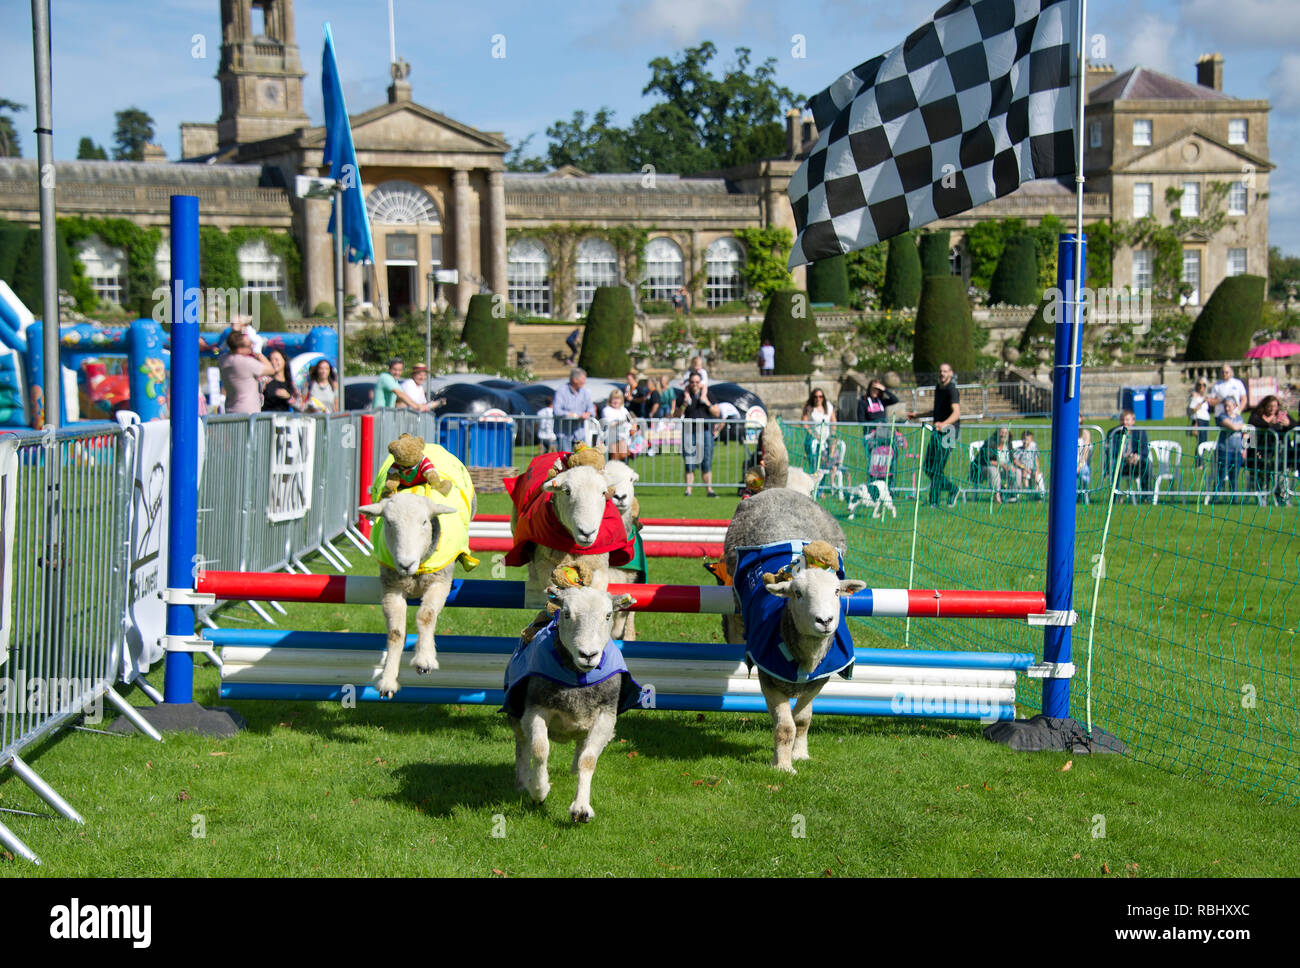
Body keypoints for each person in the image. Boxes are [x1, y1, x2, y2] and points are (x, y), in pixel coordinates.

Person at [907, 363, 961, 506]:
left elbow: (957, 413)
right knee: (928, 467)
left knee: (936, 468)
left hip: (949, 432)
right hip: (937, 431)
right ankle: (953, 489)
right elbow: (936, 411)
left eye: (945, 371)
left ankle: (934, 502)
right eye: (940, 371)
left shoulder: (952, 390)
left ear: (951, 373)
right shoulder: (938, 388)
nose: (942, 373)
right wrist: (918, 415)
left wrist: (944, 424)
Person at [675, 371, 721, 496]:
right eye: (692, 382)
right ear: (688, 383)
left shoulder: (708, 394)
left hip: (705, 431)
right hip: (689, 431)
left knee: (706, 460)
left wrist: (706, 402)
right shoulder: (683, 395)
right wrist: (685, 403)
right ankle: (688, 490)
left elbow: (717, 413)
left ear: (700, 383)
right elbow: (676, 414)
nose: (694, 384)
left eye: (697, 382)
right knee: (689, 461)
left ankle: (709, 490)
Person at [1247, 394, 1295, 504]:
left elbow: (1294, 425)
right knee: (1263, 475)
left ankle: (1283, 499)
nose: (1272, 409)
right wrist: (1270, 424)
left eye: (1275, 406)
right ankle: (1262, 498)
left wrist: (1288, 424)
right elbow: (1253, 426)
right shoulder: (1257, 416)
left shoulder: (1281, 415)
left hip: (1279, 453)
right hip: (1261, 453)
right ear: (1265, 406)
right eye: (1270, 406)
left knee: (1281, 475)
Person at [219, 330, 275, 415]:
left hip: (231, 410)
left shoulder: (223, 360)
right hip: (248, 412)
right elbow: (271, 370)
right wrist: (258, 353)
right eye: (249, 345)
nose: (252, 346)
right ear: (239, 349)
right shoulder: (245, 363)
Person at [1107, 408, 1153, 496]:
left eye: (1127, 420)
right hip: (1120, 463)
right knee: (1114, 463)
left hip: (1135, 463)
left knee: (1147, 464)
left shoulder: (1140, 432)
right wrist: (1125, 458)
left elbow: (1144, 450)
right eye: (1122, 420)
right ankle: (1115, 497)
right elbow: (1110, 451)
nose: (1125, 423)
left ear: (1133, 420)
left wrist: (1137, 457)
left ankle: (1146, 495)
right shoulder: (1113, 433)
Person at [552, 367, 594, 452]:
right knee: (565, 460)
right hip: (564, 433)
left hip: (580, 433)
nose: (584, 382)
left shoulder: (585, 392)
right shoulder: (561, 391)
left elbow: (591, 409)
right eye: (583, 379)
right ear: (575, 379)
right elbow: (556, 411)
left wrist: (587, 414)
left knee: (581, 460)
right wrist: (570, 415)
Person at [1215, 397, 1247, 499]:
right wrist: (1242, 426)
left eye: (1229, 406)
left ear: (1235, 406)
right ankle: (1215, 497)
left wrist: (1245, 449)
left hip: (1237, 451)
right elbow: (1233, 427)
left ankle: (1234, 498)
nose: (1227, 408)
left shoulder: (1239, 418)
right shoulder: (1222, 417)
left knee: (1234, 476)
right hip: (1224, 450)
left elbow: (1246, 434)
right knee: (1221, 474)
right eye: (1225, 406)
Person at [974, 425, 1015, 503]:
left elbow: (1011, 458)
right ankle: (996, 496)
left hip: (1003, 468)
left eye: (1006, 433)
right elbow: (987, 460)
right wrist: (1002, 465)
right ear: (998, 433)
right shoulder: (990, 442)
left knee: (1015, 471)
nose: (1003, 435)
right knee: (993, 471)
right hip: (984, 467)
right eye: (1002, 432)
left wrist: (1011, 465)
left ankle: (1012, 495)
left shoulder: (1008, 444)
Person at [801, 388, 836, 472]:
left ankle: (824, 483)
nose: (818, 399)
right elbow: (804, 423)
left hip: (826, 440)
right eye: (816, 396)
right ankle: (816, 484)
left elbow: (833, 420)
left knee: (824, 465)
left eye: (820, 396)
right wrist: (814, 435)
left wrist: (832, 433)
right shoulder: (809, 408)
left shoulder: (828, 406)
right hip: (813, 440)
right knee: (815, 466)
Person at [601, 388, 638, 462]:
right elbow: (610, 424)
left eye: (618, 398)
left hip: (625, 440)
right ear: (610, 399)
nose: (616, 401)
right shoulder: (607, 410)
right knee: (613, 465)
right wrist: (623, 421)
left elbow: (631, 422)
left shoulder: (624, 410)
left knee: (625, 465)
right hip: (612, 441)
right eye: (614, 398)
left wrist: (633, 426)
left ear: (621, 400)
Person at [262, 348, 299, 412]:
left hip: (284, 420)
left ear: (284, 361)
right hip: (267, 419)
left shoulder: (291, 384)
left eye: (276, 359)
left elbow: (301, 407)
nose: (273, 362)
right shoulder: (265, 381)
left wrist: (288, 397)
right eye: (270, 360)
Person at [1013, 430, 1046, 497]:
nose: (1025, 441)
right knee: (1025, 475)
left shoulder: (1033, 448)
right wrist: (1024, 468)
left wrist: (1037, 469)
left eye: (1027, 440)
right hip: (1023, 468)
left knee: (1036, 474)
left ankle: (1036, 492)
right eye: (1024, 439)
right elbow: (1015, 461)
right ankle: (1028, 491)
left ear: (1031, 440)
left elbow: (1036, 460)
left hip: (1032, 468)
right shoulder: (1019, 450)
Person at [1187, 379, 1211, 467]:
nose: (1201, 387)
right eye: (1199, 385)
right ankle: (1199, 463)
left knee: (1204, 441)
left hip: (1205, 420)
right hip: (1198, 420)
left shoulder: (1204, 396)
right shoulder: (1194, 396)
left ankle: (1201, 462)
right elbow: (1193, 409)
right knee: (1200, 442)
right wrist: (1202, 402)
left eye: (1204, 385)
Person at [1077, 423, 1094, 496]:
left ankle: (1083, 493)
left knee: (1085, 471)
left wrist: (1079, 466)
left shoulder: (1085, 433)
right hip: (1069, 464)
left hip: (1082, 464)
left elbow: (1085, 454)